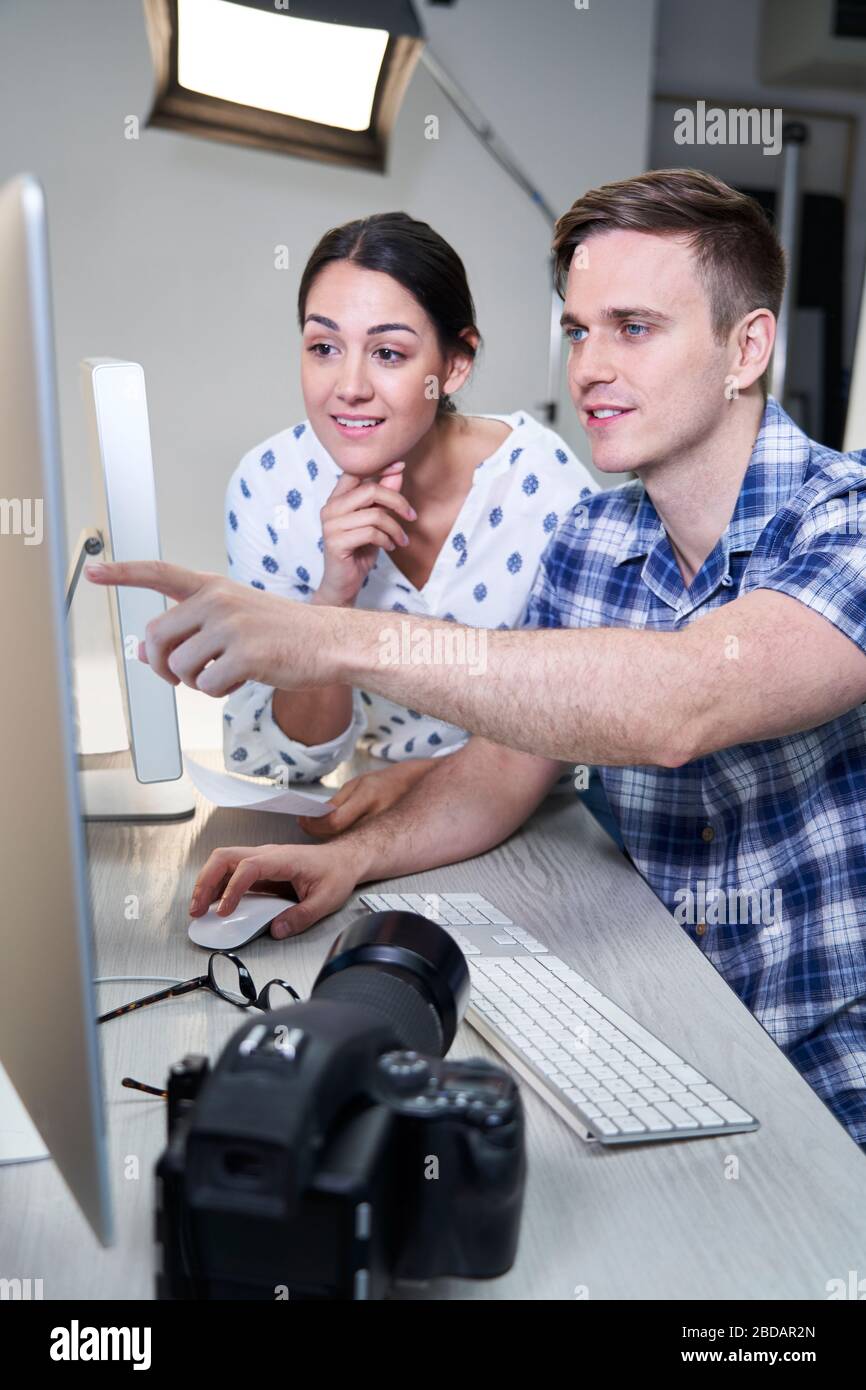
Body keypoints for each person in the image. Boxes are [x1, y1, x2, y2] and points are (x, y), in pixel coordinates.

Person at [87, 168, 866, 1149]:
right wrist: (347, 861)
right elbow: (504, 763)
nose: (586, 366)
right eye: (578, 330)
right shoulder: (589, 539)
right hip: (659, 999)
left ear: (743, 347)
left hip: (827, 1035)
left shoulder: (847, 519)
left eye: (633, 327)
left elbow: (686, 701)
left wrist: (325, 631)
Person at [221, 210, 602, 837]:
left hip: (541, 837)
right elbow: (286, 761)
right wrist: (333, 599)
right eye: (323, 348)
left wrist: (422, 778)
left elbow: (579, 720)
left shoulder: (547, 491)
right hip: (361, 818)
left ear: (455, 364)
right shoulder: (269, 487)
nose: (349, 387)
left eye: (388, 353)